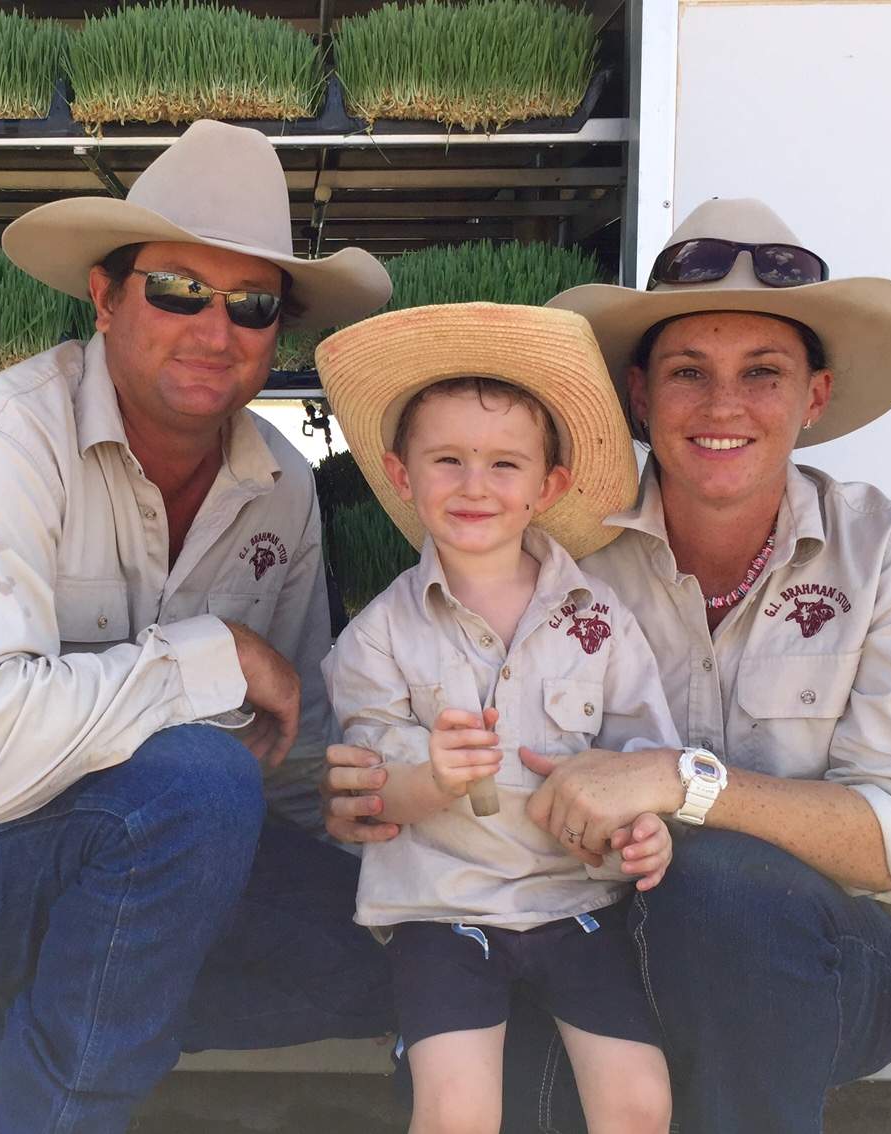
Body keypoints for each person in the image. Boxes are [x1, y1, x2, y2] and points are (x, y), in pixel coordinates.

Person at [0, 120, 396, 1134]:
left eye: (250, 306)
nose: (213, 328)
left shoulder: (277, 484)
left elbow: (289, 741)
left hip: (129, 857)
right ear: (103, 299)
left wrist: (383, 823)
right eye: (177, 290)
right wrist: (212, 658)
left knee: (391, 950)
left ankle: (16, 1034)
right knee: (192, 780)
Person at [322, 199, 891, 1132]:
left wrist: (679, 782)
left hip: (826, 957)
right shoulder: (550, 557)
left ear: (814, 396)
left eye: (763, 372)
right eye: (687, 372)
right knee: (498, 1086)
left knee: (722, 894)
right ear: (639, 394)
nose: (722, 405)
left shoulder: (889, 557)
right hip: (590, 929)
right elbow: (413, 750)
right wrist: (379, 787)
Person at [316, 303, 681, 1134]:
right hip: (442, 908)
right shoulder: (377, 636)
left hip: (578, 901)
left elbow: (642, 758)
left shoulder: (600, 617)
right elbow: (371, 800)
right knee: (454, 1110)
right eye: (446, 459)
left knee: (638, 1099)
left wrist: (647, 828)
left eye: (504, 464)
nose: (474, 485)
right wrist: (432, 777)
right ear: (401, 475)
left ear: (547, 487)